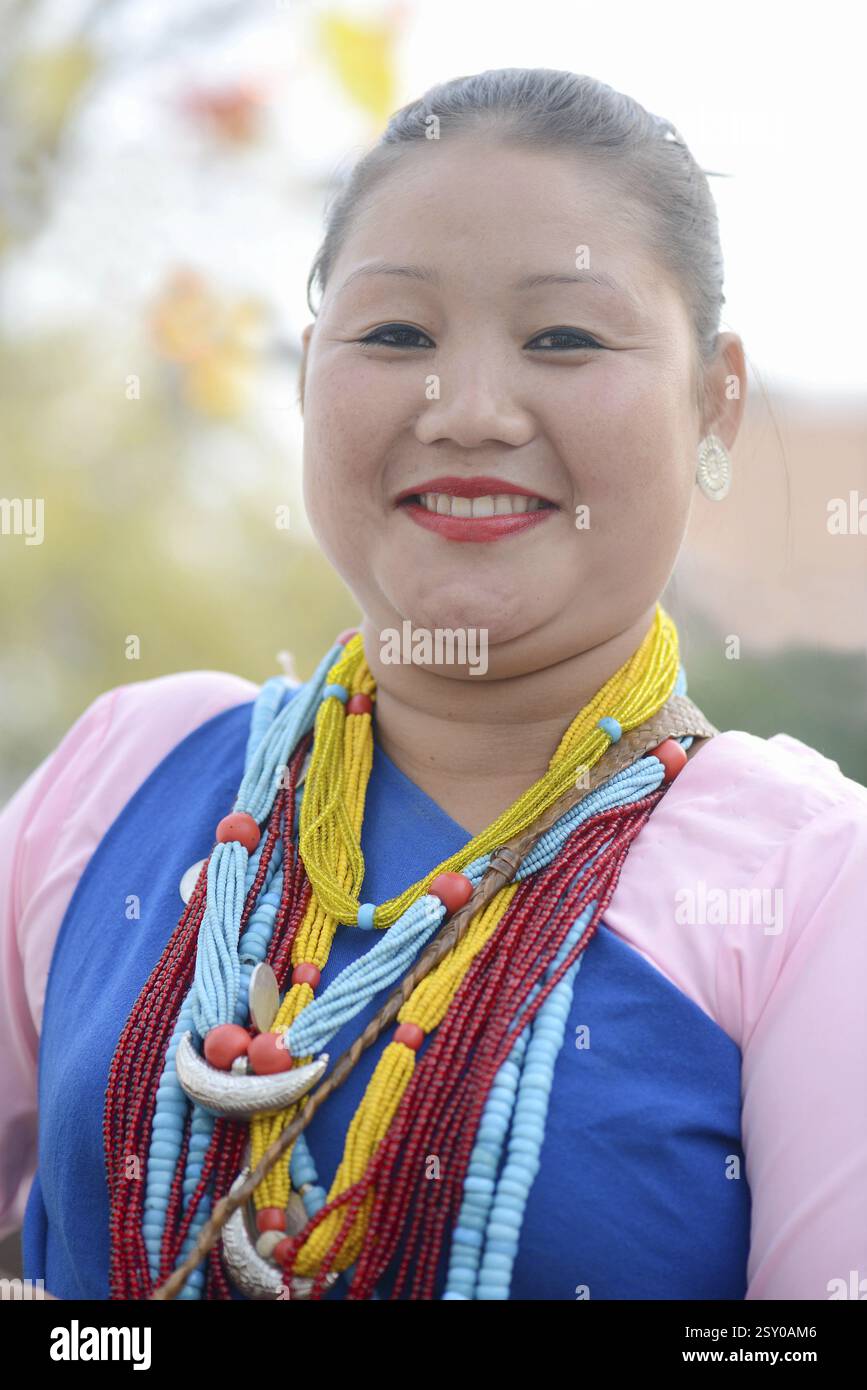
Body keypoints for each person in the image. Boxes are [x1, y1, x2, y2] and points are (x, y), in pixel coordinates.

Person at [1, 68, 865, 1302]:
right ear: (308, 375)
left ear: (714, 397)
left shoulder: (811, 888)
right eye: (396, 335)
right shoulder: (131, 768)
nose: (466, 411)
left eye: (564, 336)